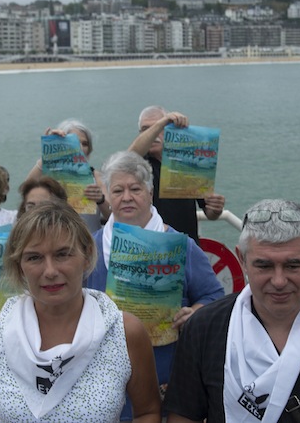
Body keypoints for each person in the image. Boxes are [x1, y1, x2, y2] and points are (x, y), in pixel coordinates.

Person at [163, 199, 300, 423]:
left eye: (292, 266)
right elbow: (184, 415)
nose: (279, 281)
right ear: (242, 259)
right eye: (264, 266)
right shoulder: (204, 328)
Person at [0, 200, 162, 423]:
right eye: (34, 257)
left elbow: (147, 412)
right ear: (19, 266)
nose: (50, 271)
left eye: (63, 254)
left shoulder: (124, 332)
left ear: (86, 255)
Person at [85, 151, 225, 419]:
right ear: (109, 196)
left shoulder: (181, 246)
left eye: (135, 189)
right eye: (118, 190)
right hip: (102, 371)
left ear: (150, 193)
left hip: (165, 368)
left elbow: (214, 295)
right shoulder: (89, 247)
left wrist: (196, 311)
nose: (126, 197)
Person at [129, 106, 225, 244]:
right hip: (150, 246)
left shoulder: (187, 161)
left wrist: (215, 209)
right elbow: (128, 157)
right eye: (146, 129)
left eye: (159, 129)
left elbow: (209, 212)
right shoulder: (138, 163)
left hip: (186, 243)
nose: (154, 133)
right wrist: (162, 123)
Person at [26, 119, 111, 232]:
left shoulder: (96, 177)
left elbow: (113, 216)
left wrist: (100, 200)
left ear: (89, 150)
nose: (80, 147)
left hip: (89, 242)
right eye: (74, 141)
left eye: (85, 143)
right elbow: (26, 190)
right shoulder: (50, 177)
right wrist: (49, 152)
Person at [0, 175, 67, 271]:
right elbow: (15, 281)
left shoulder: (70, 239)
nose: (36, 211)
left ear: (60, 207)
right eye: (31, 206)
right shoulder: (15, 243)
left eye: (44, 206)